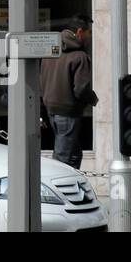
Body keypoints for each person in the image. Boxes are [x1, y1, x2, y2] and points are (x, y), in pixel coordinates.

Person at [39, 15, 99, 169]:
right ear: (80, 32)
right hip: (68, 111)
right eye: (89, 33)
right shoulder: (81, 57)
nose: (90, 37)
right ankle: (57, 189)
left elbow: (42, 79)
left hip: (50, 108)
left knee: (73, 153)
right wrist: (92, 99)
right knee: (63, 158)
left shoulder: (51, 50)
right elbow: (81, 89)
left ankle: (73, 187)